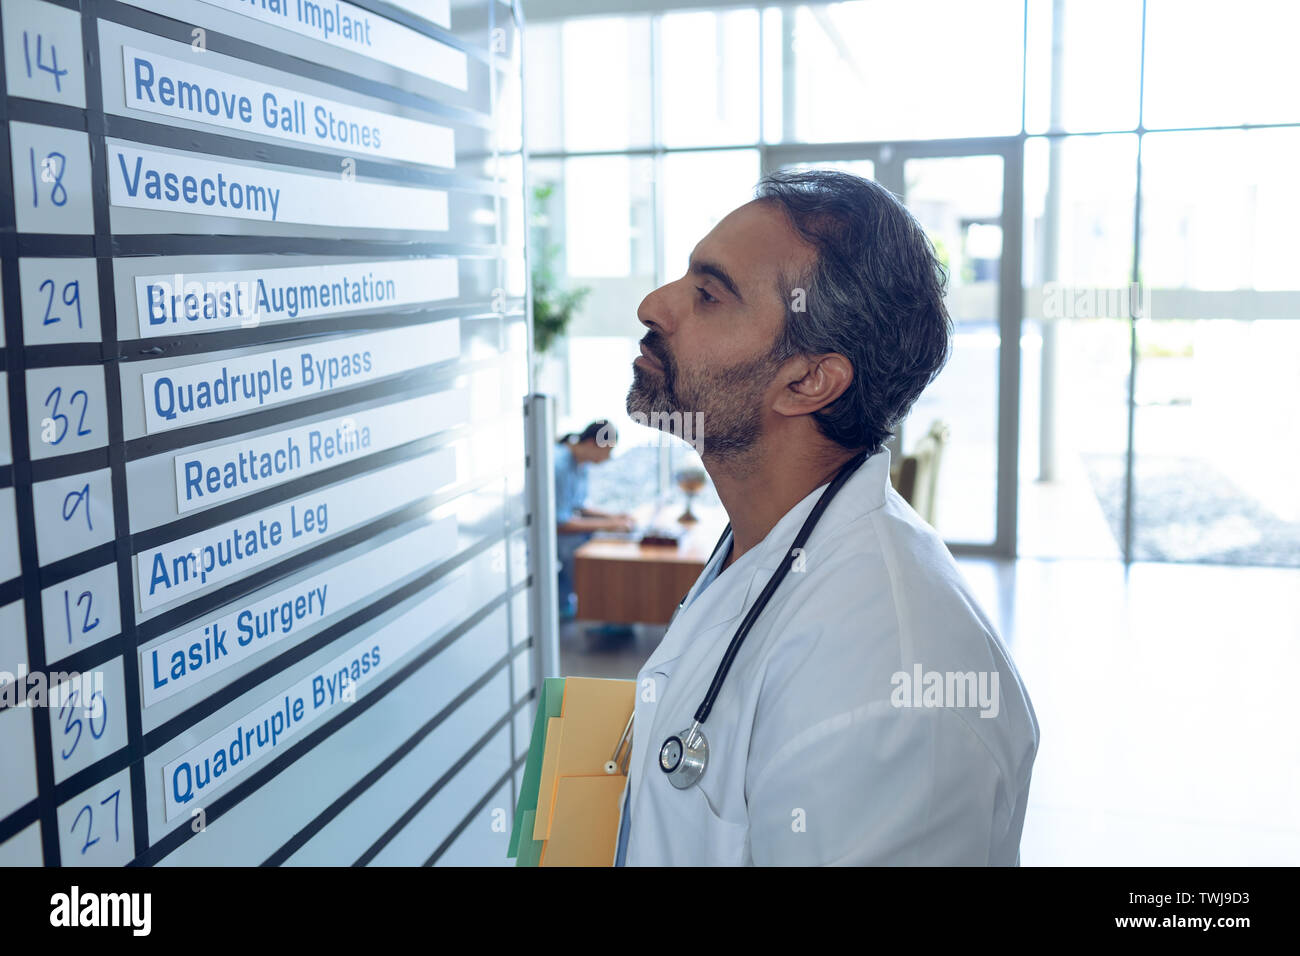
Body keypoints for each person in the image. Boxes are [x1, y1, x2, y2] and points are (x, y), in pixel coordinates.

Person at [613, 168, 1039, 865]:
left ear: (809, 381)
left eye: (708, 294)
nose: (654, 305)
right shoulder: (764, 549)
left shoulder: (893, 691)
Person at [554, 420, 635, 620]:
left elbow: (579, 506)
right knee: (592, 551)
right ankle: (599, 611)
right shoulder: (559, 465)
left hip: (565, 529)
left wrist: (614, 516)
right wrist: (610, 525)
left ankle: (604, 610)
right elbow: (560, 523)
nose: (608, 458)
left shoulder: (581, 463)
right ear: (591, 444)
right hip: (553, 536)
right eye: (607, 451)